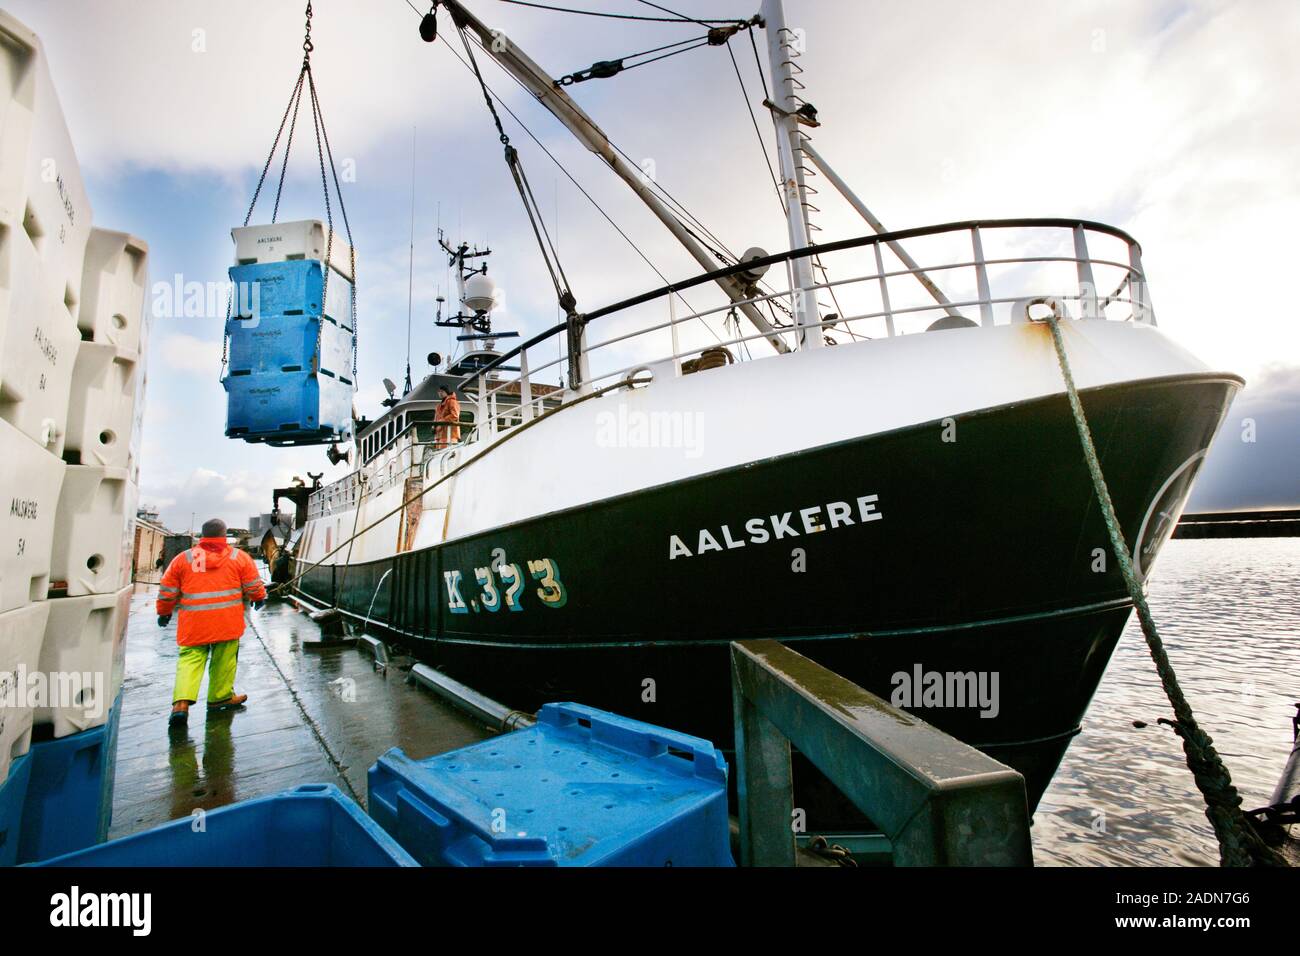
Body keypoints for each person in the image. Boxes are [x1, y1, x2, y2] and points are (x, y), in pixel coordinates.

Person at [156, 518, 267, 726]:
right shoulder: (239, 557)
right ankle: (220, 697)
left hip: (194, 624)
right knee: (224, 660)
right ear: (224, 535)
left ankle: (180, 705)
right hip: (227, 622)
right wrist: (258, 598)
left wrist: (164, 612)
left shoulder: (184, 558)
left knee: (189, 661)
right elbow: (253, 584)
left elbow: (167, 589)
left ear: (203, 535)